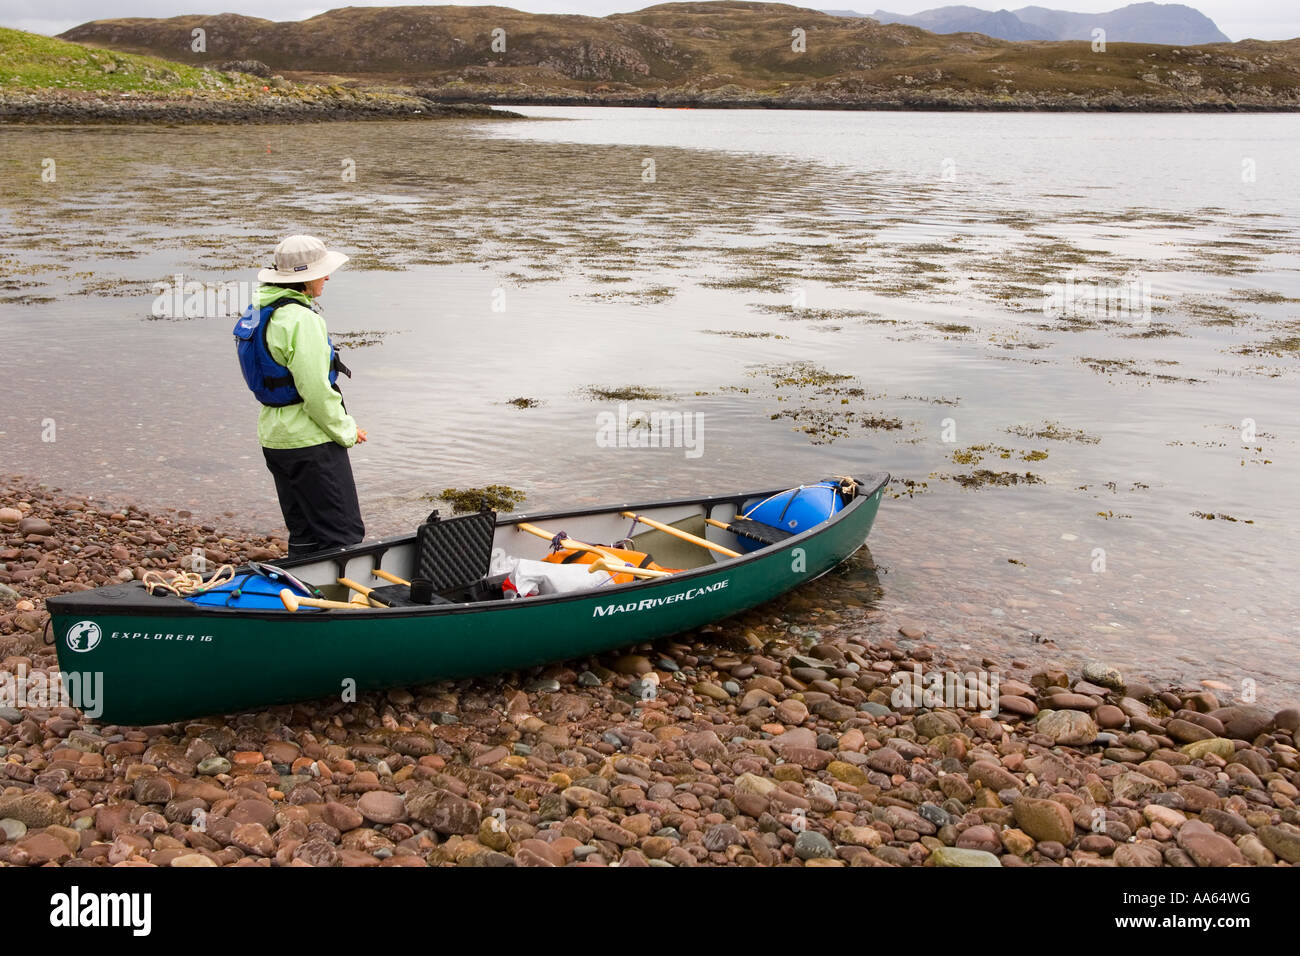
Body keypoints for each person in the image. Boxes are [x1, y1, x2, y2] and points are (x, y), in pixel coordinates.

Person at [236, 235, 367, 557]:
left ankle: (302, 593)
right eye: (323, 272)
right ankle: (341, 604)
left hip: (275, 438)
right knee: (342, 534)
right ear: (304, 279)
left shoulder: (260, 311)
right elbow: (316, 391)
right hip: (310, 443)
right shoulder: (302, 320)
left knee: (305, 532)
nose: (327, 277)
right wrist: (347, 430)